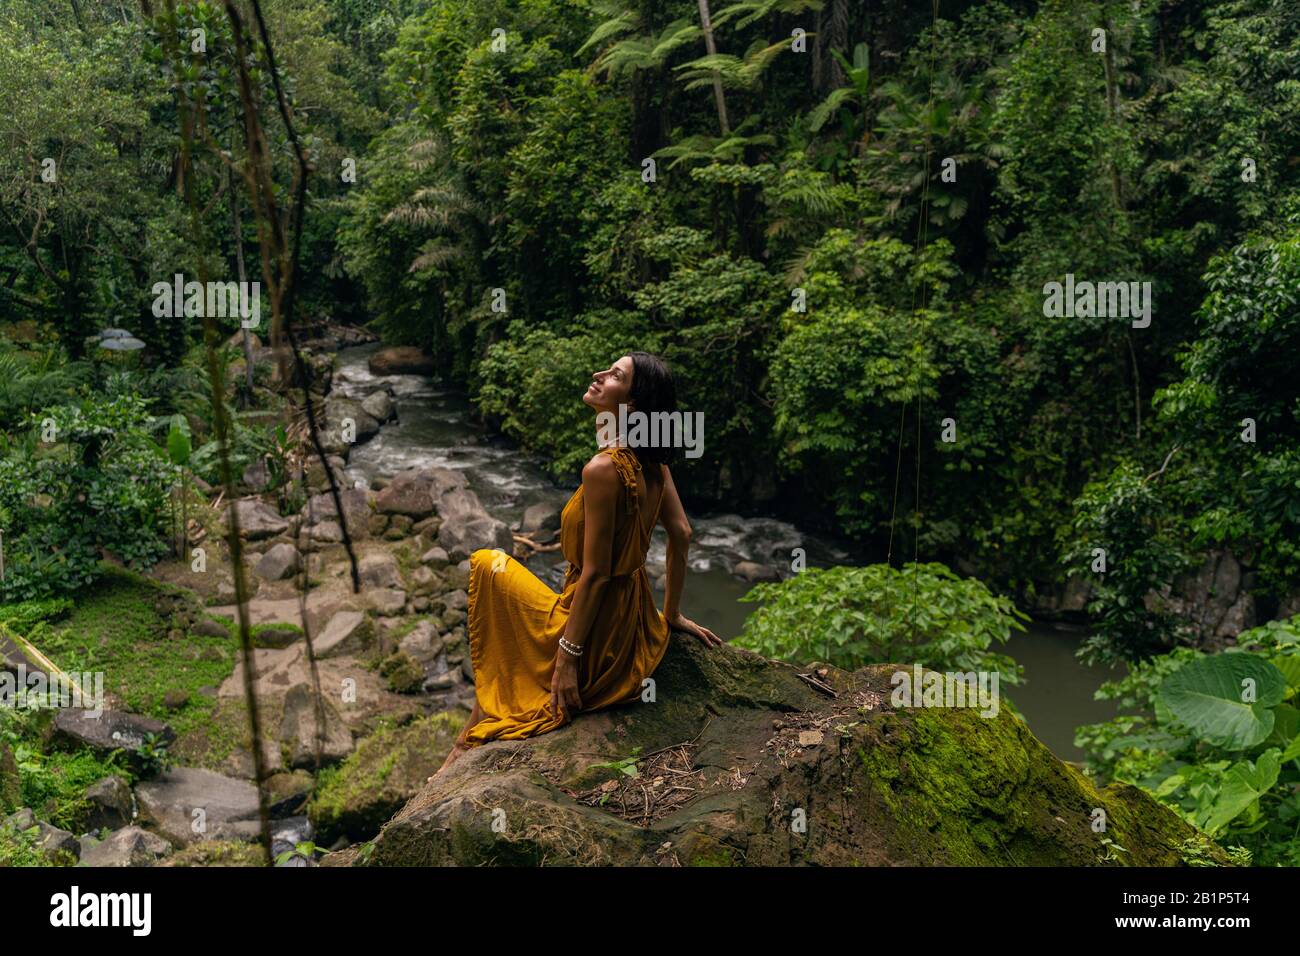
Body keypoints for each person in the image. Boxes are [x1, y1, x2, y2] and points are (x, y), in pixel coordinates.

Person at [434, 351, 721, 775]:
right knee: (513, 631)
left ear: (633, 405)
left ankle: (460, 751)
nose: (598, 375)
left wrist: (568, 658)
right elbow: (682, 534)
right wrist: (670, 613)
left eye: (615, 375)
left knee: (488, 564)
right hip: (632, 622)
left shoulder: (603, 469)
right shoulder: (654, 460)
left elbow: (598, 575)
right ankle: (460, 749)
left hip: (597, 634)